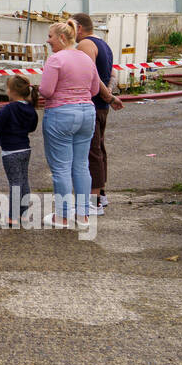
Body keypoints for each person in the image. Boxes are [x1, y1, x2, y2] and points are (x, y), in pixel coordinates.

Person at [39, 20, 101, 228]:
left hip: (61, 114)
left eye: (50, 36)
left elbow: (47, 90)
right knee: (82, 165)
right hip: (87, 112)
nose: (48, 40)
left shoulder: (56, 59)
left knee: (61, 168)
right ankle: (83, 216)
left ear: (62, 38)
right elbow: (94, 90)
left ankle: (63, 216)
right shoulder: (85, 58)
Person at [71, 13, 124, 215]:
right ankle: (101, 194)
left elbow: (90, 74)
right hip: (101, 106)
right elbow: (112, 74)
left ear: (79, 29)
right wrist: (108, 95)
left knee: (91, 151)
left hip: (92, 104)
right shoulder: (104, 45)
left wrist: (108, 97)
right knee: (99, 148)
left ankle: (94, 202)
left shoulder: (85, 45)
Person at [0, 75, 40, 227]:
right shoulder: (30, 108)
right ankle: (24, 214)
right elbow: (32, 127)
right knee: (24, 181)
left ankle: (13, 217)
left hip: (10, 151)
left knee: (15, 183)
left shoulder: (8, 108)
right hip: (25, 148)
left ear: (12, 91)